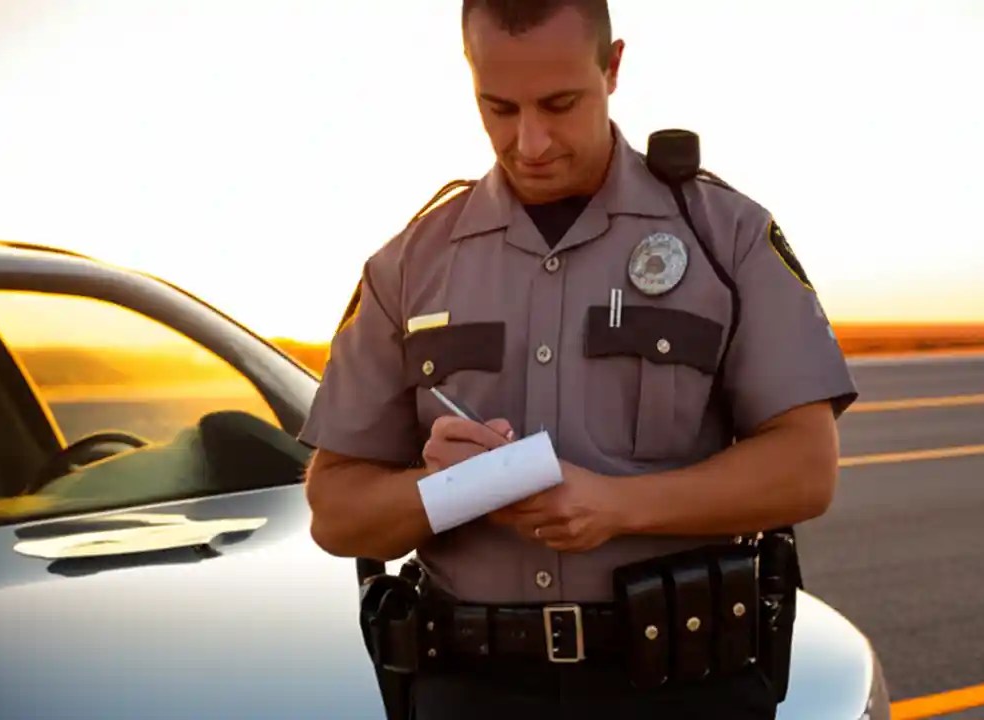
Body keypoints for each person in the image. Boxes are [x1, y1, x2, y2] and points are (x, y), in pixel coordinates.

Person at [300, 1, 859, 717]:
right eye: (498, 107)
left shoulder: (726, 237)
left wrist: (616, 505)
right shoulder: (410, 265)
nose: (529, 141)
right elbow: (334, 512)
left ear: (613, 67)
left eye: (559, 104)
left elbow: (806, 469)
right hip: (472, 689)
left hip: (679, 686)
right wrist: (446, 490)